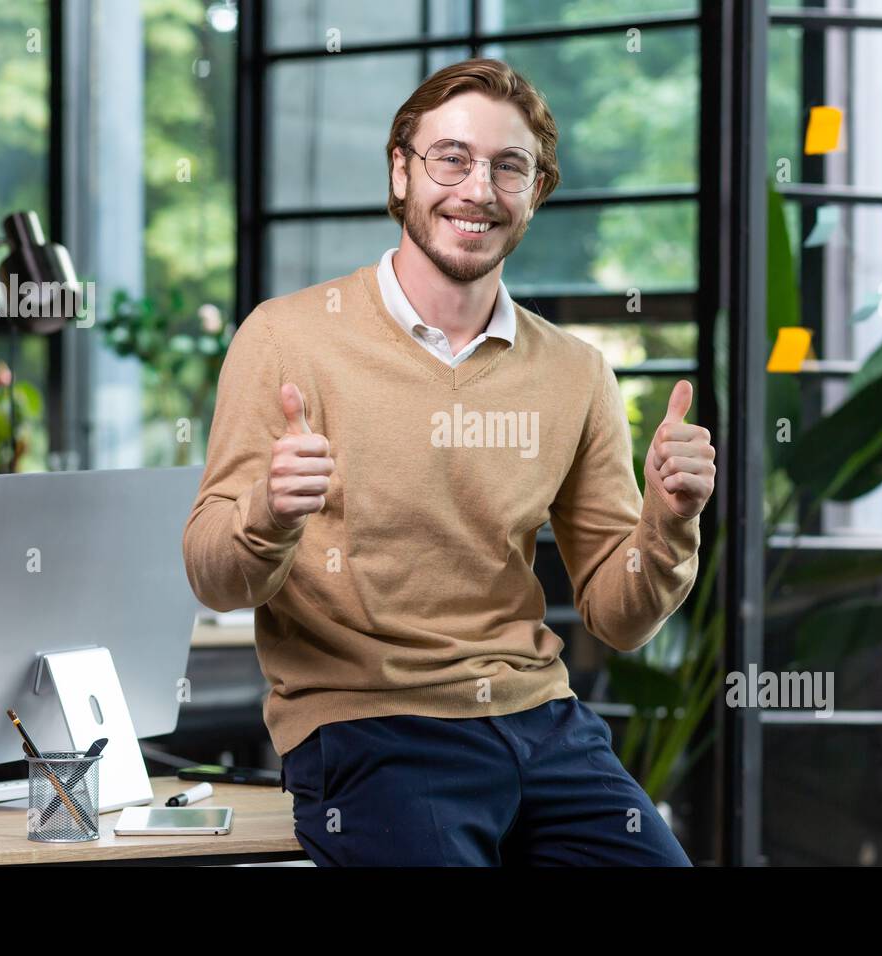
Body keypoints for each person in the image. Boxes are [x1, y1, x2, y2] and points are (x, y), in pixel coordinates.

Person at [183, 57, 716, 866]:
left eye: (511, 166)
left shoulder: (576, 372)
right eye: (451, 158)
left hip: (543, 723)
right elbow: (215, 579)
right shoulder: (286, 339)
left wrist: (668, 524)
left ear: (535, 192)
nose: (479, 189)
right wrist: (268, 514)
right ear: (401, 172)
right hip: (369, 726)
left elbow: (617, 616)